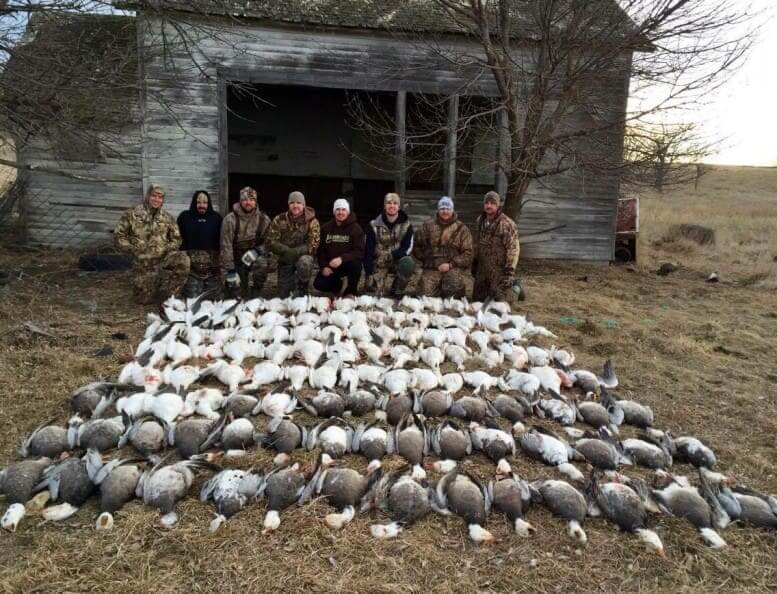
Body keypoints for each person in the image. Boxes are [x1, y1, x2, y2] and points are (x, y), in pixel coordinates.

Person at [113, 184, 190, 304]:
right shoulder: (132, 214)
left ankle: (171, 295)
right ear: (148, 196)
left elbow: (177, 239)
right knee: (143, 300)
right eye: (154, 195)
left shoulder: (167, 218)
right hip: (143, 263)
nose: (157, 199)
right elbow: (119, 236)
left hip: (162, 258)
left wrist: (166, 248)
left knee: (183, 259)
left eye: (160, 197)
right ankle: (152, 285)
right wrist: (133, 249)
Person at [413, 196, 473, 298]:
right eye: (442, 208)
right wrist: (427, 261)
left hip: (453, 268)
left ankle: (449, 291)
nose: (445, 211)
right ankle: (437, 289)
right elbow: (416, 245)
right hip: (432, 268)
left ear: (452, 210)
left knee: (453, 293)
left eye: (448, 208)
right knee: (424, 295)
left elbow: (468, 254)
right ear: (438, 210)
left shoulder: (462, 229)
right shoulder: (427, 226)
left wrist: (451, 264)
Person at [265, 191, 320, 298]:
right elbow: (271, 241)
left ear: (303, 205)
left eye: (299, 203)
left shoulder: (312, 221)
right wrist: (285, 250)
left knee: (305, 261)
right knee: (283, 295)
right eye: (292, 203)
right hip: (285, 258)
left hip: (302, 257)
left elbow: (313, 244)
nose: (295, 206)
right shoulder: (279, 219)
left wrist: (295, 252)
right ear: (288, 205)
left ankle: (302, 287)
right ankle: (289, 284)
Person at [219, 186, 271, 299]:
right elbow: (225, 245)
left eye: (251, 200)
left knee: (262, 263)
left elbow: (270, 242)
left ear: (255, 201)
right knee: (236, 296)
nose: (248, 203)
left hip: (253, 258)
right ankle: (237, 287)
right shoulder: (230, 220)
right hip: (236, 260)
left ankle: (256, 291)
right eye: (245, 200)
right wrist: (230, 270)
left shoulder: (264, 220)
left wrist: (257, 251)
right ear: (240, 201)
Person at [472, 191, 523, 303]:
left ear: (498, 205)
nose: (489, 206)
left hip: (500, 269)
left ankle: (516, 288)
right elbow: (476, 242)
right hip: (483, 268)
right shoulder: (480, 221)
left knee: (502, 301)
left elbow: (513, 249)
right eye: (486, 203)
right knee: (477, 301)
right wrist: (475, 261)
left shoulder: (507, 224)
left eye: (492, 203)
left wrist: (509, 271)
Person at [364, 192, 415, 297]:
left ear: (399, 206)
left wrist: (394, 255)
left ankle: (397, 289)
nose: (392, 206)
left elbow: (408, 247)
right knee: (375, 295)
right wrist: (369, 273)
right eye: (389, 203)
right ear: (384, 205)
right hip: (379, 262)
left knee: (408, 263)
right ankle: (376, 284)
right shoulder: (373, 225)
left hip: (397, 260)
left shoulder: (407, 225)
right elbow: (368, 250)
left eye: (395, 203)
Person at [313, 198, 365, 297]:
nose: (340, 212)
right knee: (318, 284)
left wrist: (342, 258)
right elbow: (321, 251)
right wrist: (324, 267)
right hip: (332, 266)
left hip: (348, 265)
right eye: (338, 209)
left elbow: (359, 251)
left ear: (348, 212)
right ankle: (338, 286)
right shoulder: (326, 228)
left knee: (357, 265)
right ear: (334, 211)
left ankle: (350, 291)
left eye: (343, 209)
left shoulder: (356, 228)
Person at [177, 189, 223, 298]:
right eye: (198, 202)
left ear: (209, 203)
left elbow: (222, 243)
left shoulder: (217, 218)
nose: (202, 205)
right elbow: (178, 240)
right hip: (192, 267)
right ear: (194, 202)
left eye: (205, 203)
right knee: (193, 297)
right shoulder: (184, 217)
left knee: (215, 298)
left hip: (212, 267)